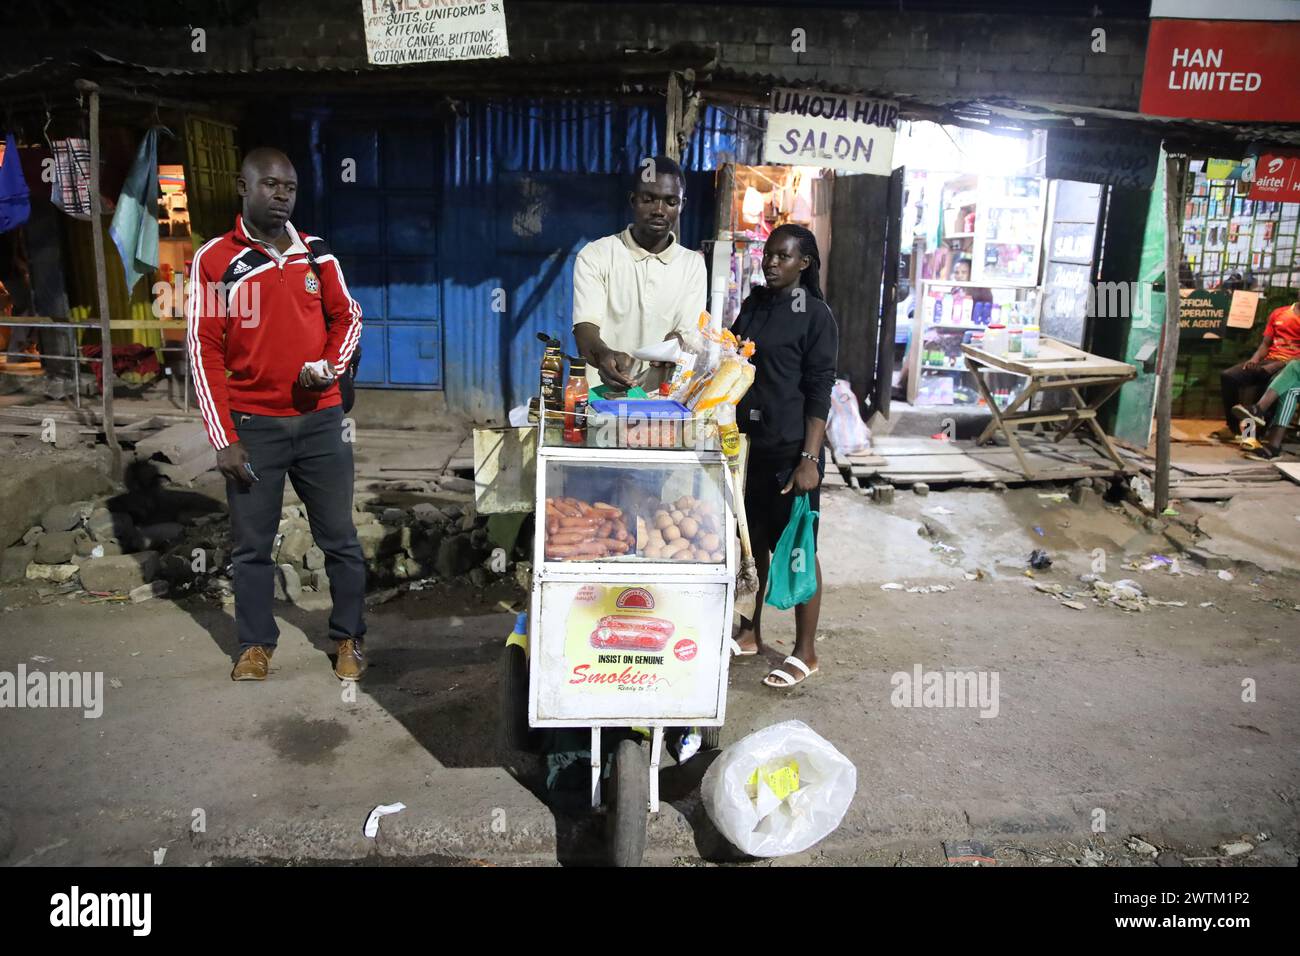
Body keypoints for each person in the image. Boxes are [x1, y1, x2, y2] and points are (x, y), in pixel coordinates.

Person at [188, 147, 367, 683]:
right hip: (253, 427)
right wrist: (223, 438)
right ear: (243, 188)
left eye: (289, 187)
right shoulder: (216, 260)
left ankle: (349, 639)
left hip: (321, 421)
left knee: (340, 538)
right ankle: (254, 645)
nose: (282, 195)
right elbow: (204, 349)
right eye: (270, 185)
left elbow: (349, 316)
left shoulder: (317, 253)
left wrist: (330, 369)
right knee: (251, 546)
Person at [731, 224, 838, 689]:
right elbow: (732, 356)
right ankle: (749, 633)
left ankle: (805, 652)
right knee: (749, 544)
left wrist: (810, 459)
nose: (771, 262)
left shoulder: (816, 316)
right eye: (768, 254)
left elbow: (819, 392)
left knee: (797, 548)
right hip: (748, 448)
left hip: (791, 452)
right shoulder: (755, 305)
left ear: (804, 263)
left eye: (783, 256)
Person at [572, 155, 706, 392]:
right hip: (602, 399)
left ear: (682, 205)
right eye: (649, 199)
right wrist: (603, 355)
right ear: (633, 200)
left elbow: (687, 333)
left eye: (670, 202)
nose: (659, 210)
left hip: (660, 405)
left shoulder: (692, 265)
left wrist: (677, 343)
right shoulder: (596, 255)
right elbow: (585, 329)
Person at [1216, 293, 1300, 440]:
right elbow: (1265, 344)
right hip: (1268, 359)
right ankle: (1235, 428)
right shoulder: (1279, 313)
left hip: (1289, 367)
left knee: (1268, 384)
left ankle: (1252, 435)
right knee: (1229, 376)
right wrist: (1254, 359)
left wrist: (1275, 366)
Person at [1231, 358, 1300, 461]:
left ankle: (1258, 411)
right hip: (1274, 362)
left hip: (1285, 363)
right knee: (1247, 374)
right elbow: (1264, 345)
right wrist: (1254, 360)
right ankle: (1267, 443)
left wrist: (1280, 364)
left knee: (1292, 368)